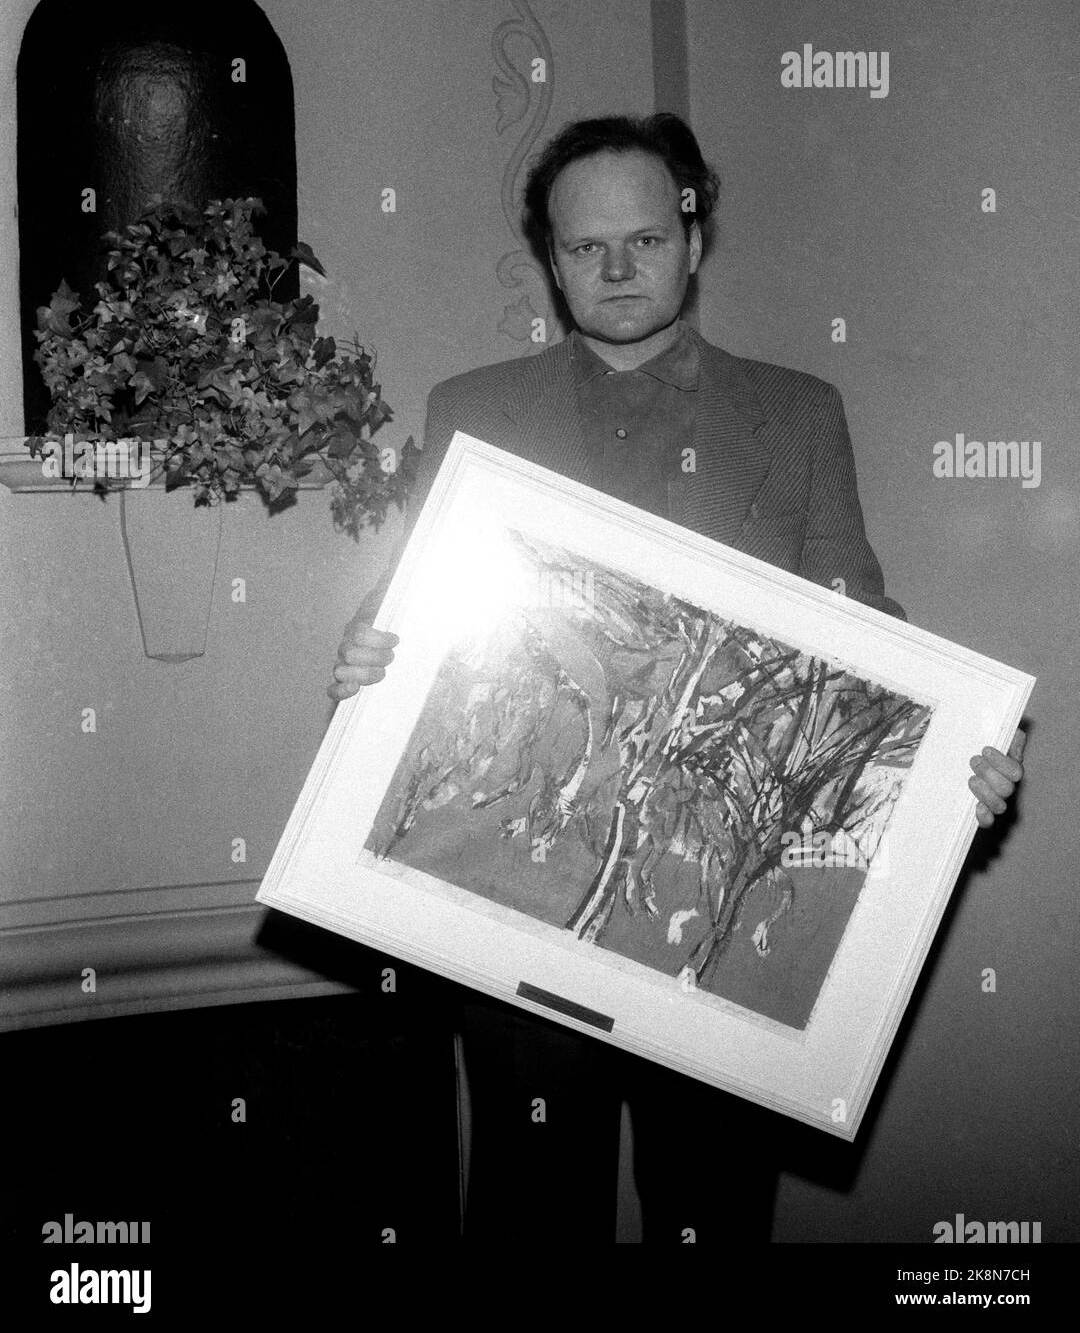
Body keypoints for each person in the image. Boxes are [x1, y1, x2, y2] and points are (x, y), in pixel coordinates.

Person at [328, 115, 1026, 1240]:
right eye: (584, 247)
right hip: (518, 876)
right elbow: (422, 622)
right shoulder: (471, 409)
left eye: (645, 240)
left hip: (715, 883)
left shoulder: (799, 413)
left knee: (711, 1206)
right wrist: (372, 660)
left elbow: (860, 629)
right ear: (550, 259)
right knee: (526, 1202)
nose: (615, 270)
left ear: (693, 241)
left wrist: (954, 755)